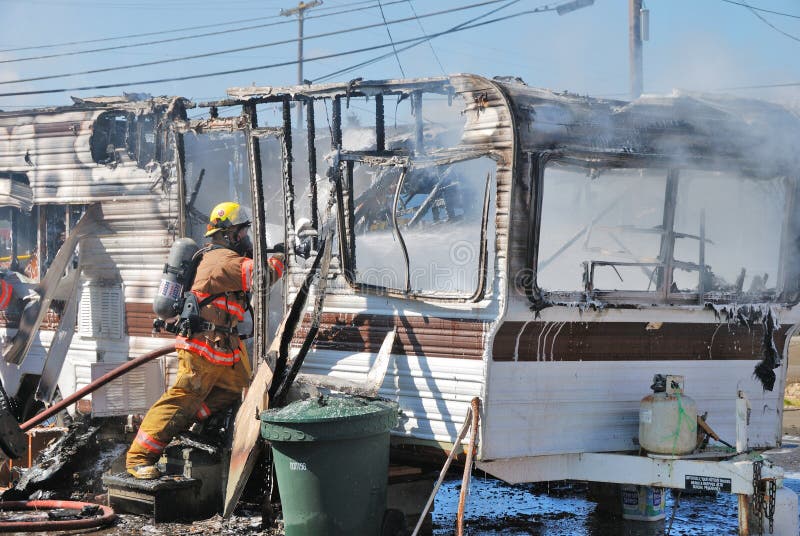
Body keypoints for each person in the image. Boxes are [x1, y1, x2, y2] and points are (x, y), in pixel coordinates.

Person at [126, 201, 284, 479]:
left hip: (223, 348)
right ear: (226, 234)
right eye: (241, 232)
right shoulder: (220, 260)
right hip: (203, 348)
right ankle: (138, 457)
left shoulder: (225, 258)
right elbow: (261, 277)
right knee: (181, 400)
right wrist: (280, 259)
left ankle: (188, 421)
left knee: (235, 392)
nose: (245, 237)